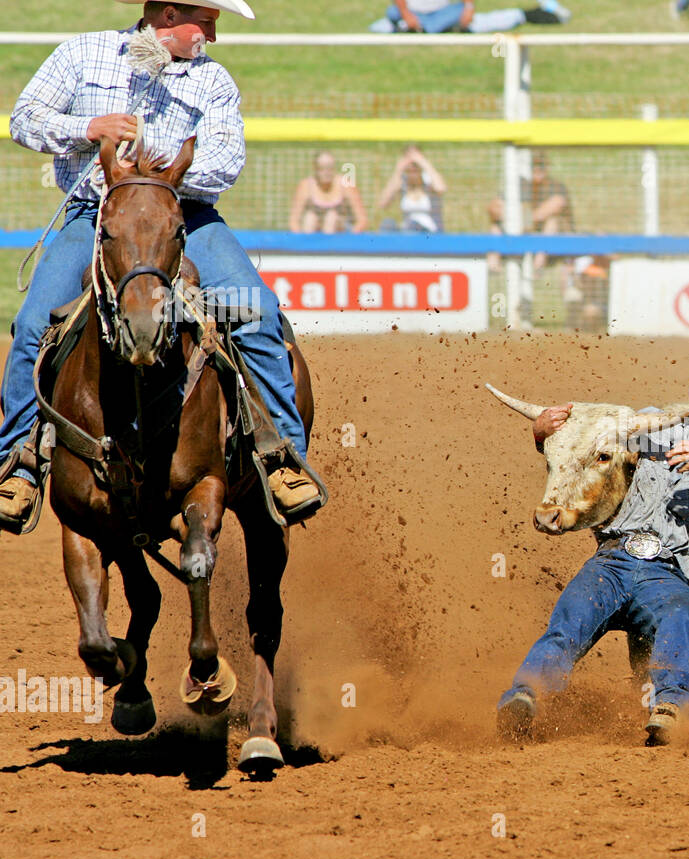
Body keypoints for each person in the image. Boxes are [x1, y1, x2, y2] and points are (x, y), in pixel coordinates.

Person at [0, 0, 322, 528]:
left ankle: (281, 455)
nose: (212, 39)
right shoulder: (84, 54)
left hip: (184, 218)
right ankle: (20, 463)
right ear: (169, 15)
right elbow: (24, 119)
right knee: (36, 322)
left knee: (257, 311)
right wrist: (89, 127)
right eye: (208, 23)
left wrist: (159, 177)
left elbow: (224, 162)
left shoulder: (212, 81)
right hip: (99, 218)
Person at [496, 372, 689, 746]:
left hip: (668, 574)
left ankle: (671, 710)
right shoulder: (655, 431)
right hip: (612, 560)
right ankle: (525, 695)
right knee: (570, 618)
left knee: (680, 617)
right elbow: (587, 448)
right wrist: (543, 434)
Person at [486, 150, 572, 274]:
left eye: (541, 165)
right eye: (534, 165)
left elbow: (554, 206)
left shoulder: (555, 186)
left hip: (548, 236)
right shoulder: (518, 185)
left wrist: (518, 219)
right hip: (521, 230)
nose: (537, 169)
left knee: (551, 222)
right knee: (495, 228)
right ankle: (492, 267)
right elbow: (494, 208)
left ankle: (536, 267)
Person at [369, 0, 571, 34]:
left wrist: (468, 8)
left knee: (459, 15)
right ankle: (424, 27)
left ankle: (424, 28)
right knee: (393, 14)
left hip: (442, 15)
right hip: (412, 14)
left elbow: (462, 9)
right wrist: (406, 14)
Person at [289, 150, 368, 234]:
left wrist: (351, 238)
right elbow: (293, 221)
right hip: (314, 231)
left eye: (329, 168)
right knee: (310, 218)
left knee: (331, 217)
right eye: (322, 168)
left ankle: (331, 246)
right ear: (315, 169)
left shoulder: (345, 184)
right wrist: (298, 239)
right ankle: (308, 246)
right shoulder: (306, 186)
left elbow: (362, 220)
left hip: (341, 233)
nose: (326, 173)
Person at [376, 144, 446, 233]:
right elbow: (382, 204)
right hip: (408, 230)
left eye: (415, 165)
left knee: (413, 225)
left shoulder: (429, 181)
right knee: (388, 224)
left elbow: (441, 188)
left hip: (429, 233)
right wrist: (398, 170)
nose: (412, 169)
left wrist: (423, 162)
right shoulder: (402, 182)